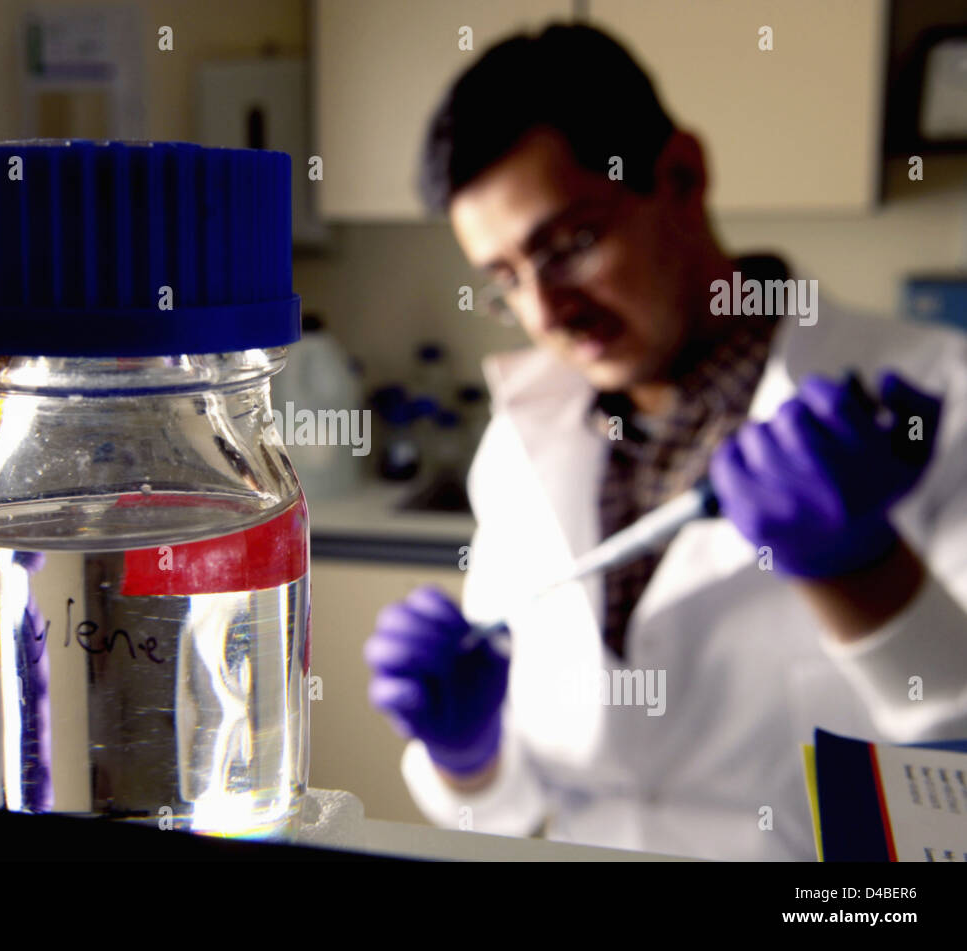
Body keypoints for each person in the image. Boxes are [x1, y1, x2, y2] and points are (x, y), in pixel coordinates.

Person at [363, 24, 967, 861]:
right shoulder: (520, 442)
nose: (547, 314)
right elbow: (504, 813)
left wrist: (868, 580)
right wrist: (465, 756)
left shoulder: (937, 396)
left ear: (681, 174)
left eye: (569, 244)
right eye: (505, 278)